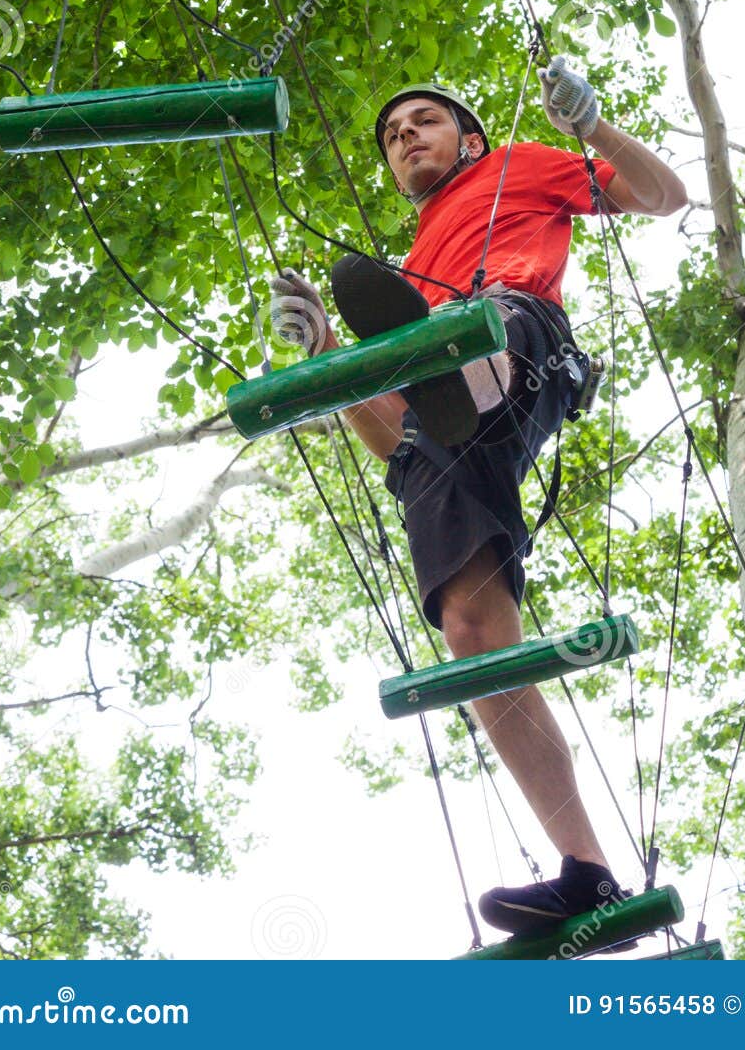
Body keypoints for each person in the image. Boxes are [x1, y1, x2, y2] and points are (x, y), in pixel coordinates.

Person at [269, 57, 688, 935]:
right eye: (390, 137)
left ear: (468, 139)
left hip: (517, 335)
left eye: (420, 121)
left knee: (453, 346)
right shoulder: (412, 265)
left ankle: (444, 359)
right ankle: (587, 871)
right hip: (440, 427)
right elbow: (394, 448)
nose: (402, 138)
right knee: (470, 636)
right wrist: (318, 355)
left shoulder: (518, 168)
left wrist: (591, 125)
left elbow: (664, 196)